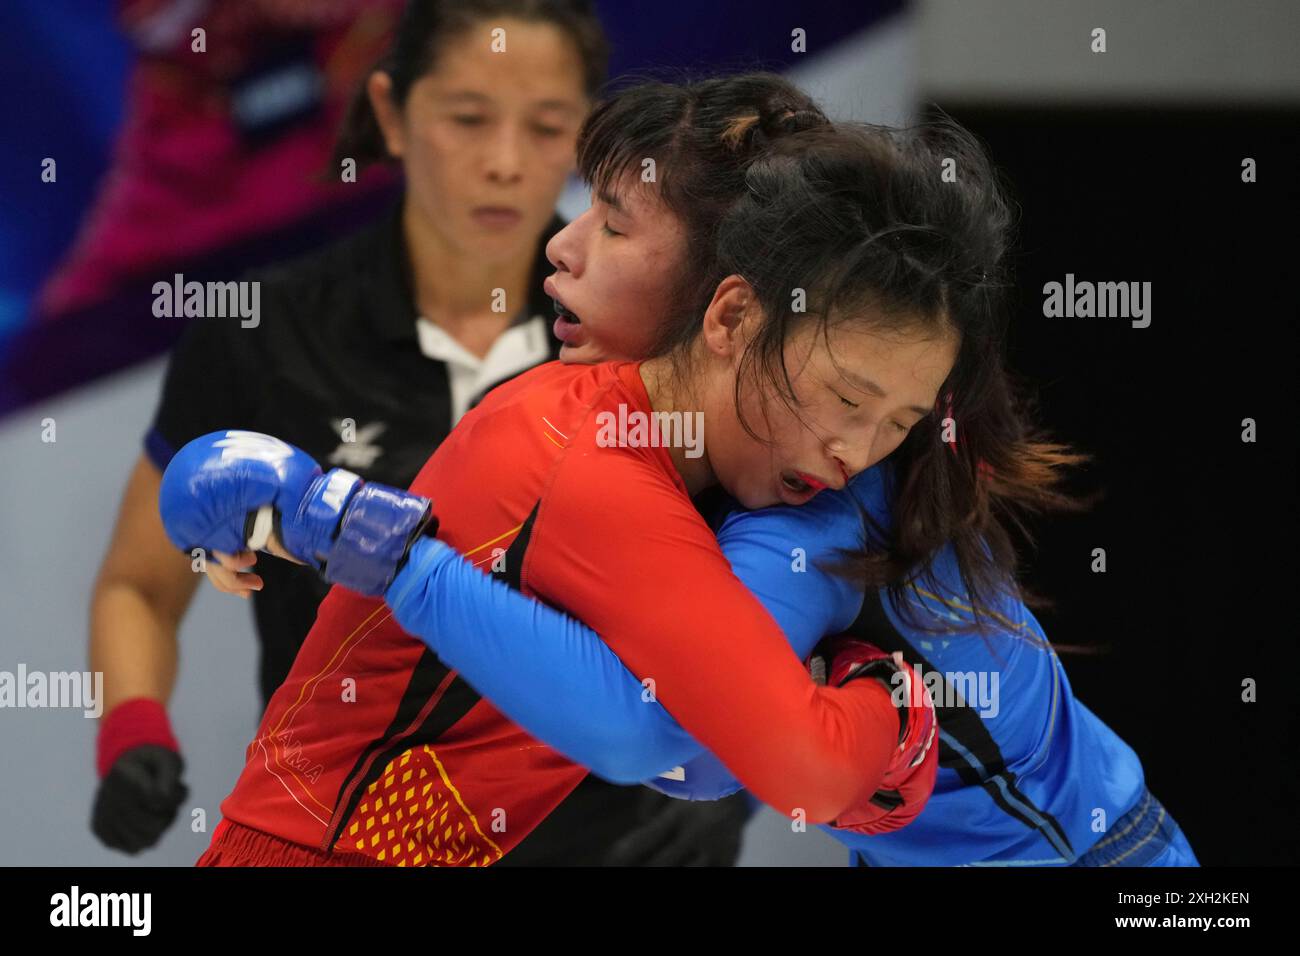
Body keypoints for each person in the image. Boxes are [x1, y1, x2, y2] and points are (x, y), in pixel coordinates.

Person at [193, 73, 1198, 866]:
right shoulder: (605, 444)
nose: (562, 244)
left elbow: (692, 752)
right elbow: (696, 747)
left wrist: (307, 512)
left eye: (617, 225)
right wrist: (878, 719)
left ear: (725, 293)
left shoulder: (801, 481)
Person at [90, 0, 751, 867]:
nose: (506, 163)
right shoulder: (261, 333)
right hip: (342, 839)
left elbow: (764, 584)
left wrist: (734, 765)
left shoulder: (669, 343)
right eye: (468, 119)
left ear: (588, 144)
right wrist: (134, 735)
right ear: (393, 115)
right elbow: (138, 583)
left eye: (548, 125)